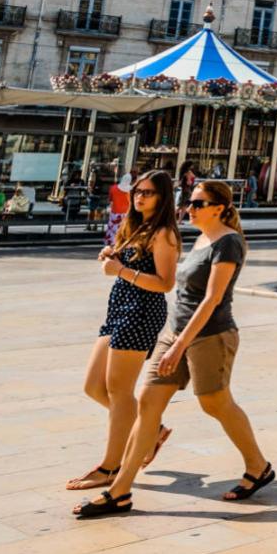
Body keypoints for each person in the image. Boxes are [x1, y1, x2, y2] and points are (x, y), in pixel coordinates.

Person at [75, 181, 273, 517]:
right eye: (189, 203)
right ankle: (119, 491)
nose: (190, 209)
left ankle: (258, 466)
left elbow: (211, 299)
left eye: (199, 204)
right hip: (176, 333)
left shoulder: (229, 243)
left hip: (210, 336)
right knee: (148, 404)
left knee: (216, 404)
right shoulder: (201, 238)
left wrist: (179, 346)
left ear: (219, 208)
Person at [66, 171, 180, 492]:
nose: (140, 197)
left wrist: (121, 270)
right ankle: (152, 430)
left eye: (149, 193)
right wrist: (113, 256)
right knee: (93, 386)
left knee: (119, 391)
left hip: (141, 312)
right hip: (118, 310)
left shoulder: (164, 233)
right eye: (137, 191)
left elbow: (165, 283)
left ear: (163, 197)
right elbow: (127, 264)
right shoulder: (136, 225)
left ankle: (110, 467)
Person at [105, 174, 132, 246]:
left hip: (115, 213)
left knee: (112, 231)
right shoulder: (132, 190)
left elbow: (110, 200)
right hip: (127, 214)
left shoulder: (113, 188)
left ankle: (111, 245)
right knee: (124, 232)